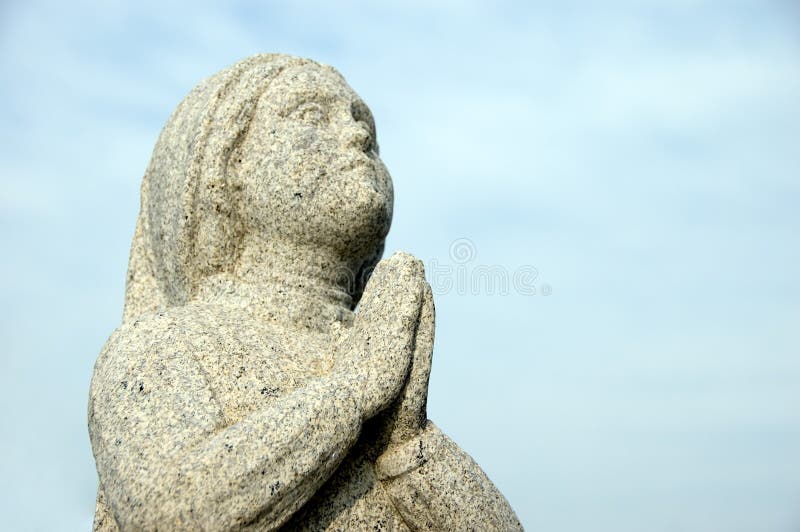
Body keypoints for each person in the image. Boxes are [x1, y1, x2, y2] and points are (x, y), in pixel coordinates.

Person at [88, 53, 522, 531]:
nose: (358, 136)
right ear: (221, 171)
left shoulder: (380, 361)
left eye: (368, 131)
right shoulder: (159, 346)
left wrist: (407, 443)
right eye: (311, 115)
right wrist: (351, 394)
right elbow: (168, 514)